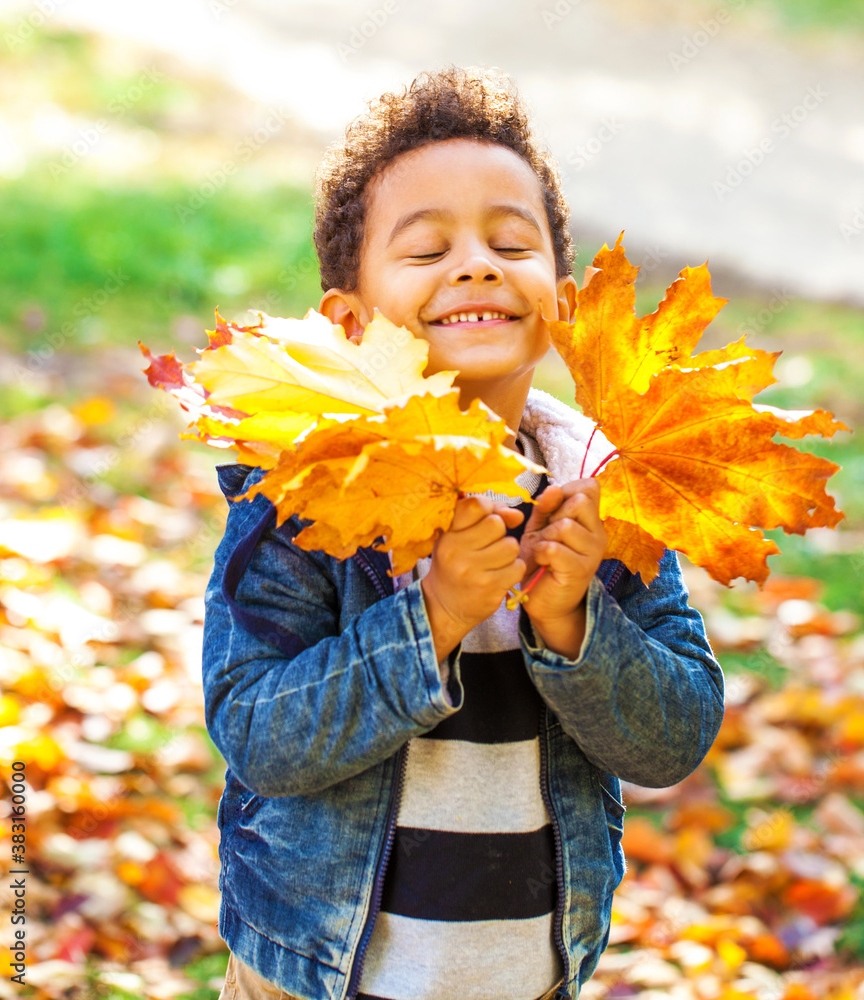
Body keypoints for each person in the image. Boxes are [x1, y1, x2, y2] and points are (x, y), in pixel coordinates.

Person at [203, 66, 725, 1000]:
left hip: (527, 971)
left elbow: (673, 737)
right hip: (314, 971)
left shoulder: (602, 490)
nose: (477, 265)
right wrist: (432, 619)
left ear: (561, 299)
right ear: (351, 321)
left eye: (509, 242)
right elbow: (257, 733)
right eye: (427, 249)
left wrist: (576, 625)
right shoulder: (309, 494)